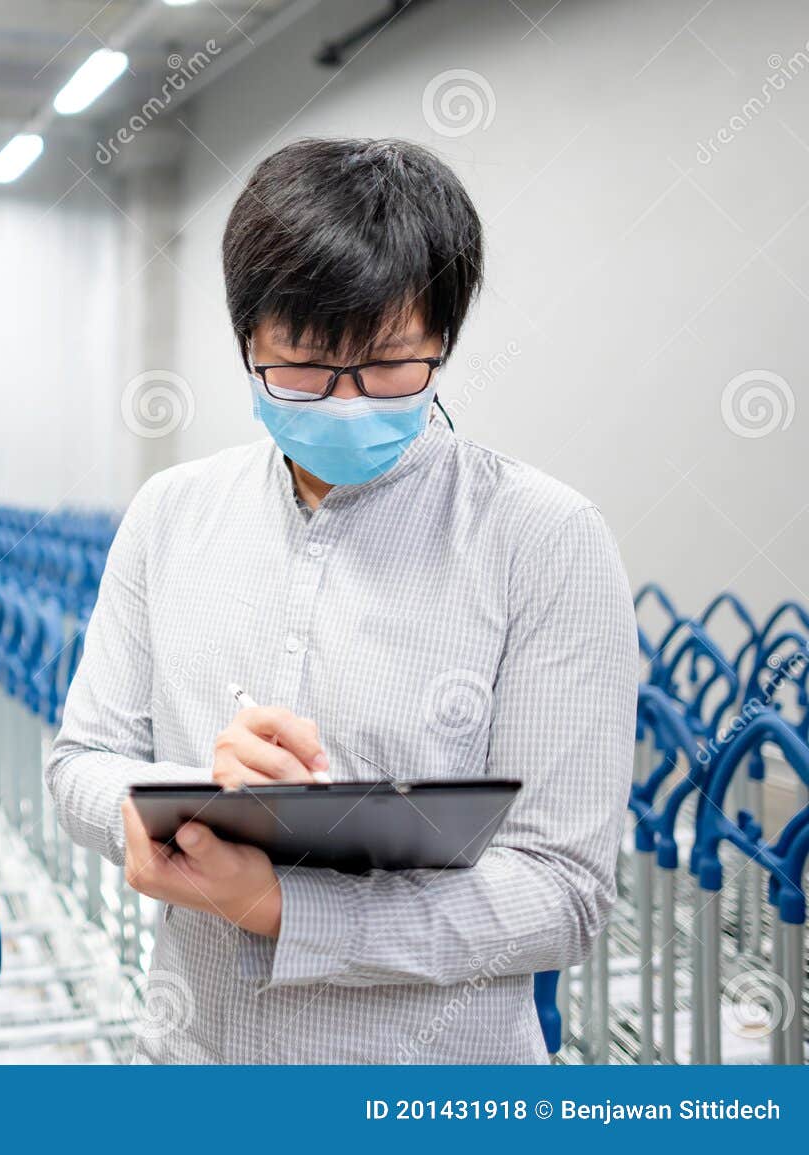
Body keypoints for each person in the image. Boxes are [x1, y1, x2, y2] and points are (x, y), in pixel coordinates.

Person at [45, 137, 637, 1063]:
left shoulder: (544, 539)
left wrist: (285, 907)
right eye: (309, 366)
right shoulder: (171, 514)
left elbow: (563, 890)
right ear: (249, 341)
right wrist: (189, 798)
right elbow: (80, 763)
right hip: (193, 1052)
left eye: (395, 363)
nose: (349, 402)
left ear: (443, 340)